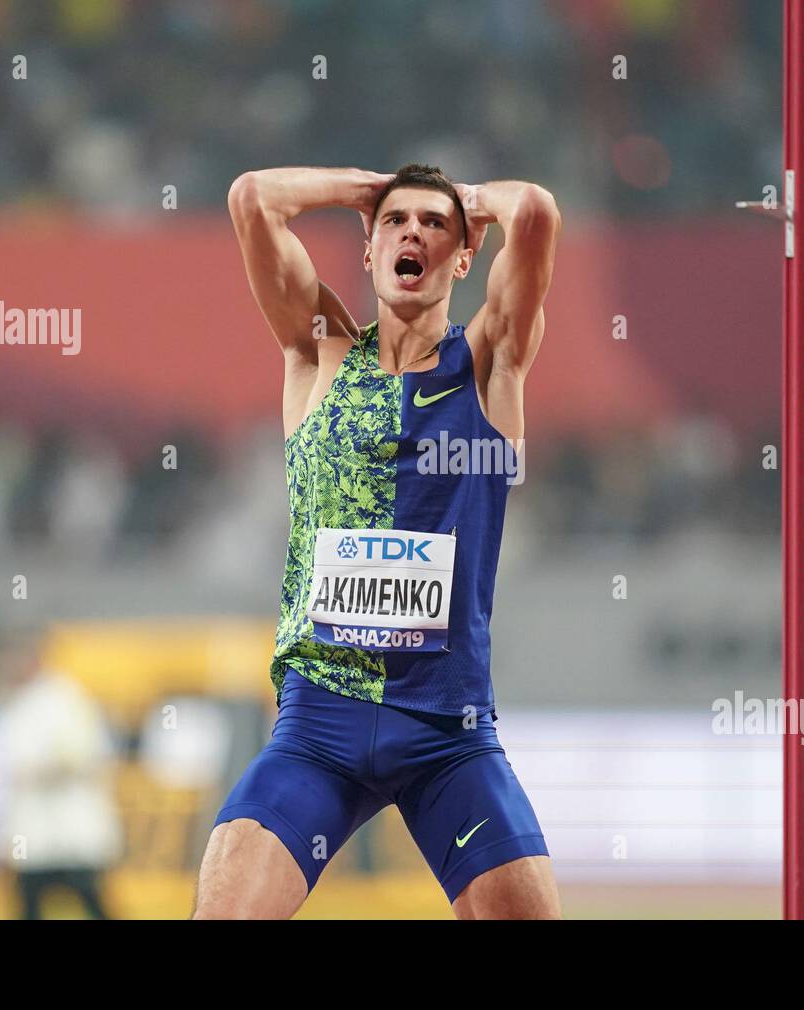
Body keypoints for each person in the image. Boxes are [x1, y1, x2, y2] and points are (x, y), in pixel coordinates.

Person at [193, 163, 562, 919]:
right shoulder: (319, 354)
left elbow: (536, 213)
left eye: (435, 226)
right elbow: (252, 199)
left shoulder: (490, 365)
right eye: (396, 223)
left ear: (464, 259)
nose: (413, 234)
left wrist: (468, 203)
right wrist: (368, 189)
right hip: (318, 726)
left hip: (446, 733)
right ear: (368, 247)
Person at [0, 628, 122, 919]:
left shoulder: (63, 696)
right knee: (29, 905)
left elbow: (84, 753)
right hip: (35, 835)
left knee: (92, 901)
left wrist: (43, 769)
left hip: (70, 831)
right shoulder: (15, 702)